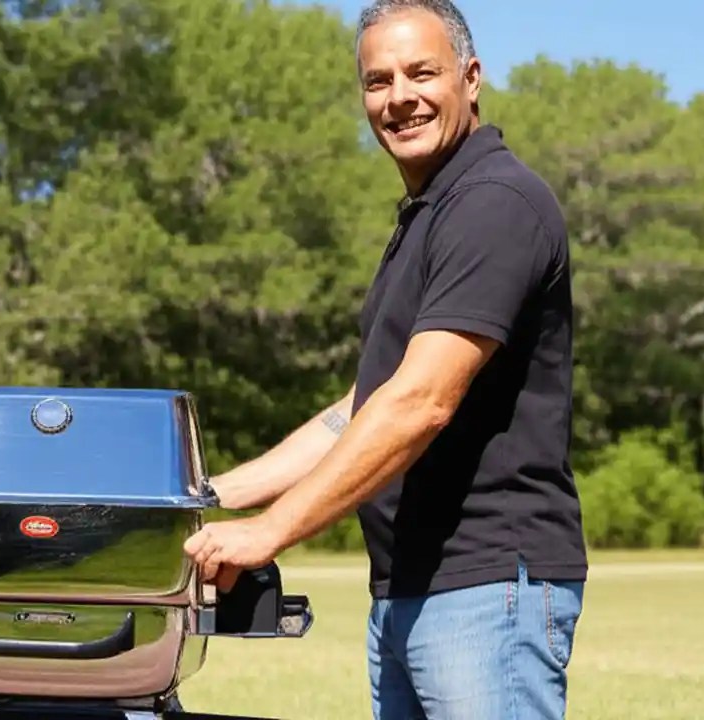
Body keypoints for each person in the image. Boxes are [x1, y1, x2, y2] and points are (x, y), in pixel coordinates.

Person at [182, 1, 587, 717]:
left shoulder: (494, 203)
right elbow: (359, 410)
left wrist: (270, 531)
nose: (399, 97)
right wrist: (207, 497)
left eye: (421, 73)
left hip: (483, 588)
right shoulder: (430, 215)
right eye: (378, 81)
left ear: (471, 77)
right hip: (408, 588)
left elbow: (420, 402)